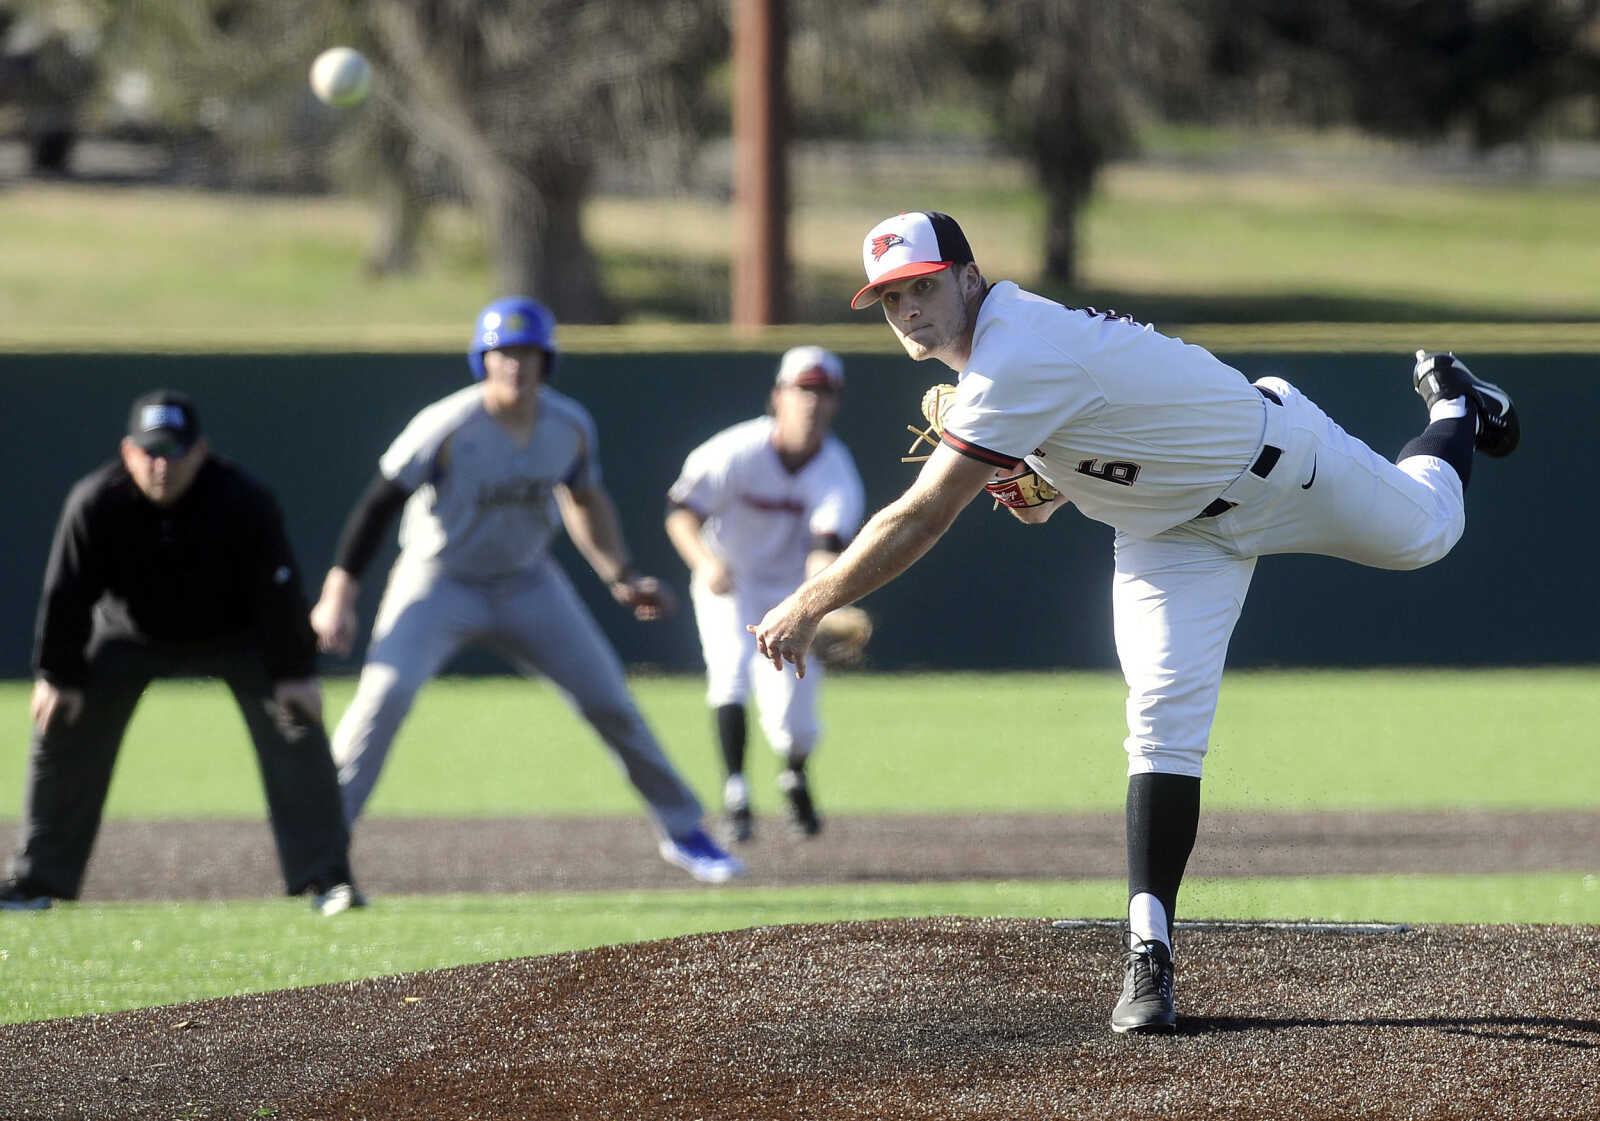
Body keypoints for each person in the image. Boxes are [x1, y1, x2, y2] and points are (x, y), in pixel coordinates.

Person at [750, 210, 1519, 1034]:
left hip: (1274, 465)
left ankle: (1457, 406)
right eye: (890, 297)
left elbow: (922, 515)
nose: (907, 310)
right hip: (1166, 536)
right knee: (1159, 722)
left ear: (971, 278)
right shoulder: (995, 378)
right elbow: (1043, 511)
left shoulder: (1015, 352)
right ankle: (1148, 954)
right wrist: (1026, 475)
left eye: (924, 286)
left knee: (1431, 531)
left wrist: (810, 597)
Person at [308, 296, 743, 884]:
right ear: (482, 359)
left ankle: (685, 831)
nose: (514, 365)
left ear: (547, 361)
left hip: (526, 580)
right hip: (439, 578)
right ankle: (321, 847)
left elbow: (584, 500)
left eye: (527, 354)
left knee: (610, 701)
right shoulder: (450, 423)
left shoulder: (567, 425)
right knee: (382, 699)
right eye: (502, 353)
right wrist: (340, 590)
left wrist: (619, 575)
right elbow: (380, 503)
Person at [1, 390, 362, 915]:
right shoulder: (96, 501)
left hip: (235, 637)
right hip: (127, 636)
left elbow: (278, 590)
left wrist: (296, 672)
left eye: (174, 450)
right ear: (128, 452)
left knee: (295, 715)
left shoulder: (242, 500)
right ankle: (37, 881)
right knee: (61, 717)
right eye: (150, 451)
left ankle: (327, 879)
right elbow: (66, 593)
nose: (161, 464)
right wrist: (57, 674)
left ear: (200, 452)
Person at [665, 346, 865, 844]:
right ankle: (736, 793)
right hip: (728, 580)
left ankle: (794, 773)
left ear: (837, 403)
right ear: (778, 396)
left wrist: (820, 604)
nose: (812, 402)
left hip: (793, 591)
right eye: (803, 390)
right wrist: (705, 563)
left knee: (795, 722)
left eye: (823, 392)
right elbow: (681, 513)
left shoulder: (837, 472)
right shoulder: (736, 450)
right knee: (729, 672)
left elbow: (825, 553)